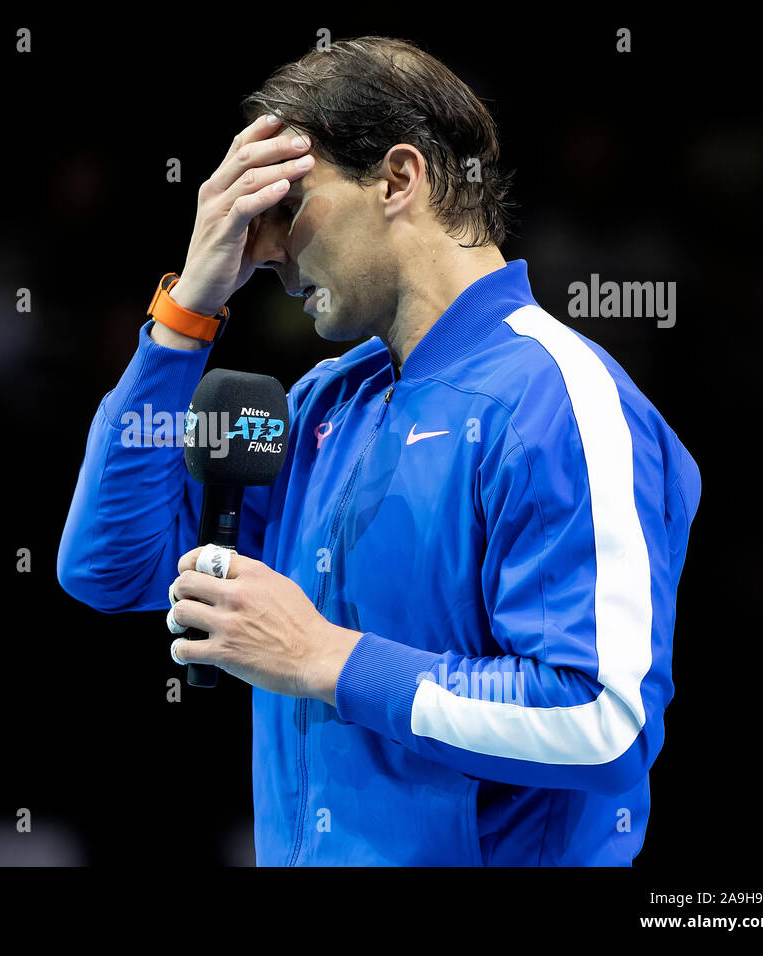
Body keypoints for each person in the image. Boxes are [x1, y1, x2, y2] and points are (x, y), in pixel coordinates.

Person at [57, 36, 701, 865]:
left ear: (399, 179)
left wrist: (325, 658)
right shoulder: (321, 402)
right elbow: (112, 568)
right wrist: (188, 311)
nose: (269, 248)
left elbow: (601, 722)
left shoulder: (563, 402)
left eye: (290, 203)